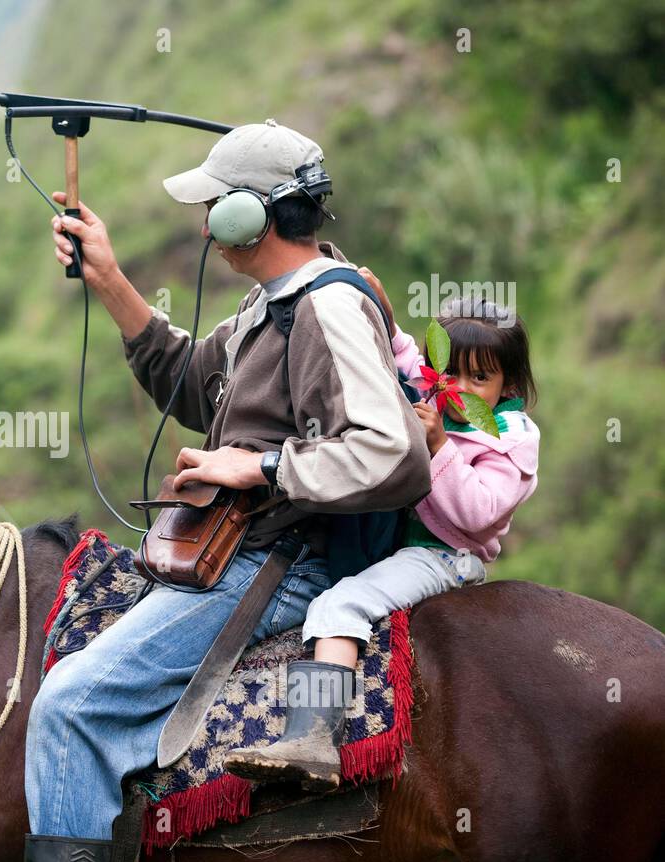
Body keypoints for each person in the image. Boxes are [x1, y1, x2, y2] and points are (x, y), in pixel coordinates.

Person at [22, 120, 432, 862]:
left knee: (68, 708)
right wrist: (109, 278)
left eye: (216, 208)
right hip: (246, 549)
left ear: (252, 215)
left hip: (283, 561)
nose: (207, 226)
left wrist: (261, 468)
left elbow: (395, 454)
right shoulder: (269, 305)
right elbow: (187, 380)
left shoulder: (324, 307)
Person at [223, 292, 540, 790]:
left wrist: (438, 448)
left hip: (445, 555)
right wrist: (383, 315)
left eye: (480, 378)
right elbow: (410, 359)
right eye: (450, 373)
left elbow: (478, 514)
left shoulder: (511, 438)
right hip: (407, 542)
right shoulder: (439, 394)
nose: (459, 387)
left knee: (339, 604)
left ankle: (312, 741)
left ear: (510, 385)